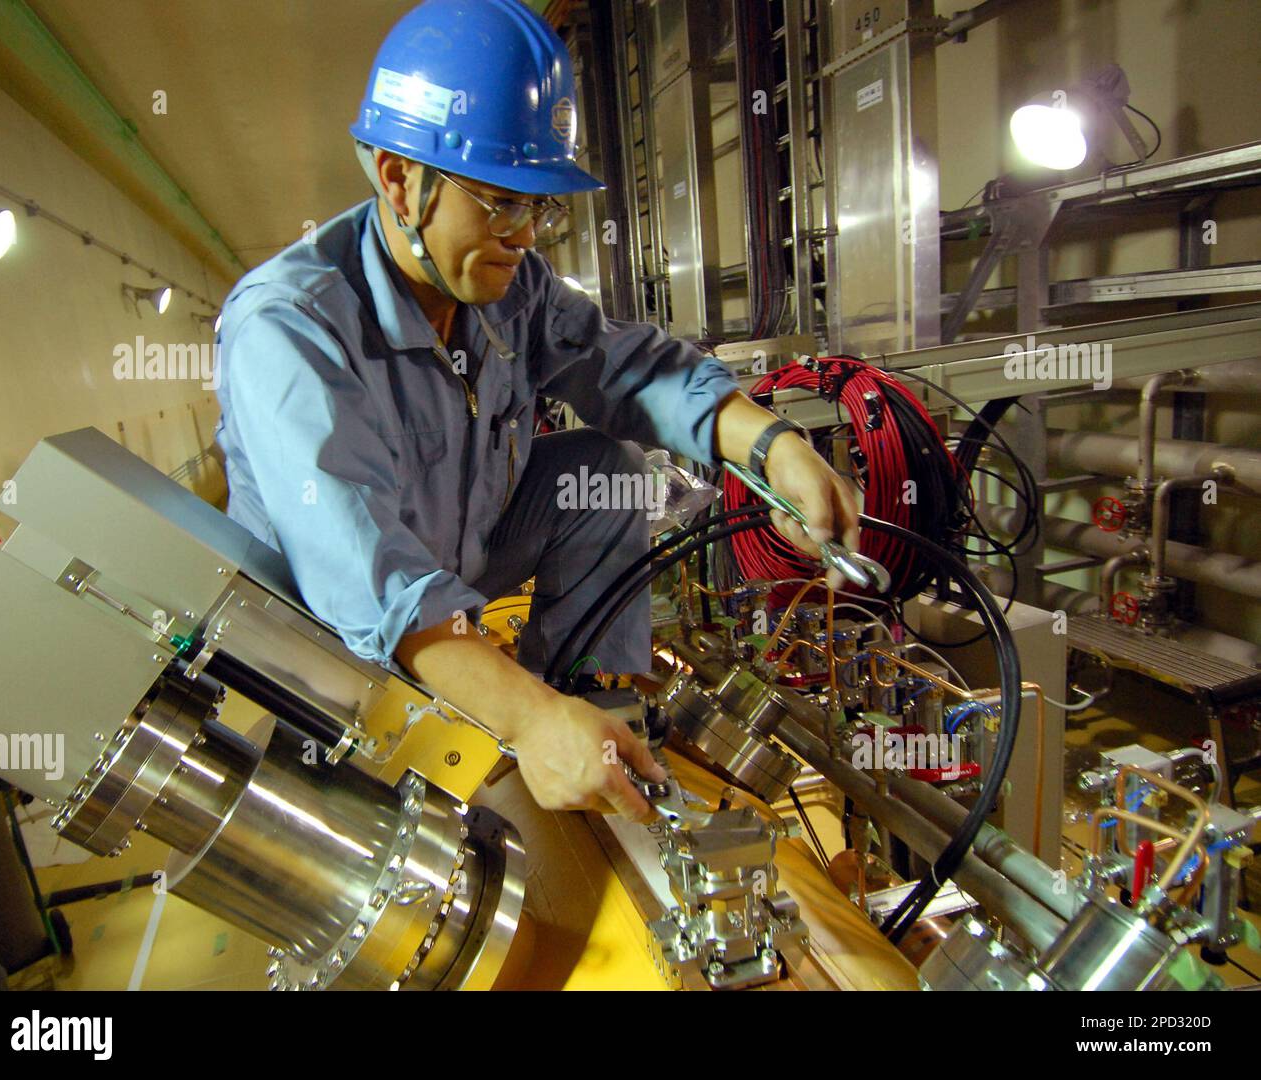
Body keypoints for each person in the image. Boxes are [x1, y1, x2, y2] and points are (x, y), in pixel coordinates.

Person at [214, 0, 858, 823]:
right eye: (498, 201)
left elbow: (624, 368)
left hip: (459, 561)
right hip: (331, 635)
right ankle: (525, 725)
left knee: (601, 475)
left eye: (539, 207)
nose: (524, 235)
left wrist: (772, 447)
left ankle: (583, 700)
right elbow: (366, 573)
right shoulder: (292, 326)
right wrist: (520, 718)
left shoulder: (507, 291)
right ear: (399, 179)